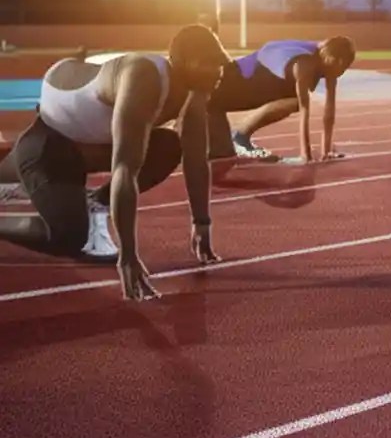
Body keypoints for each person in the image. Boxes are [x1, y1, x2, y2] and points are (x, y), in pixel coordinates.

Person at [0, 24, 228, 300]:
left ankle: (95, 200)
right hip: (50, 146)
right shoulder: (145, 78)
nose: (219, 72)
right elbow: (125, 169)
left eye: (221, 64)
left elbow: (196, 161)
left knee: (168, 147)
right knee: (69, 237)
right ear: (183, 62)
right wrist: (128, 256)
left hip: (88, 146)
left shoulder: (194, 93)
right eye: (210, 64)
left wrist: (202, 223)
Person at [207, 37, 356, 162]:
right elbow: (305, 108)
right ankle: (234, 134)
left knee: (292, 102)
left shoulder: (330, 65)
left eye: (343, 68)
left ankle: (239, 136)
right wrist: (305, 155)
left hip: (257, 85)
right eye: (337, 64)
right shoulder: (304, 64)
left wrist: (327, 151)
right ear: (327, 56)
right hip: (232, 80)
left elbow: (328, 113)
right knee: (218, 153)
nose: (339, 71)